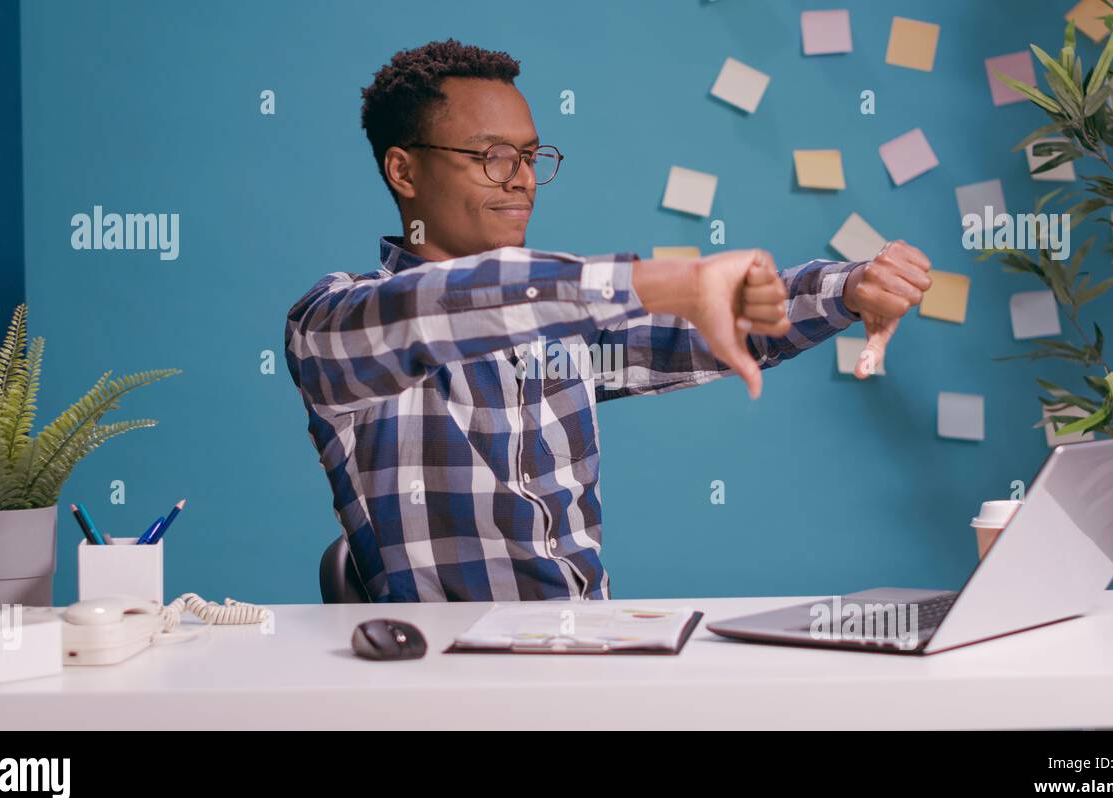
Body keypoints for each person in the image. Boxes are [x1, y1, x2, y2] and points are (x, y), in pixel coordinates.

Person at [285, 39, 932, 602]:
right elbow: (442, 308)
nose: (522, 181)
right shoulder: (337, 324)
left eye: (531, 156)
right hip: (454, 682)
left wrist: (851, 287)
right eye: (491, 157)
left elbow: (720, 320)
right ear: (404, 170)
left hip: (591, 659)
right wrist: (674, 279)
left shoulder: (563, 327)